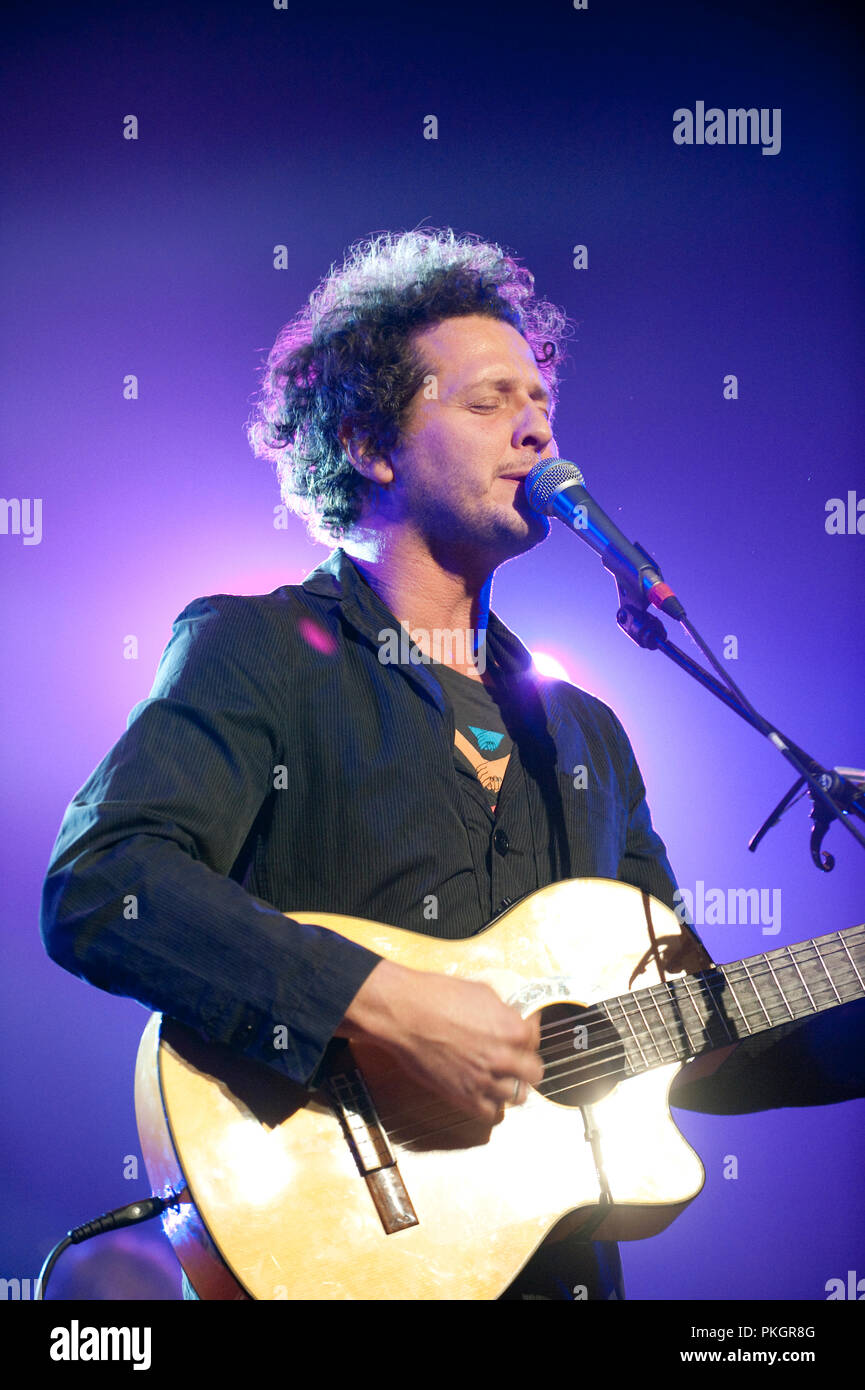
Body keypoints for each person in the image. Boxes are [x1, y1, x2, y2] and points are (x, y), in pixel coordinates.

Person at [40, 229, 864, 1301]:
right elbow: (104, 881)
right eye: (485, 401)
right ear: (370, 443)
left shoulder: (588, 735)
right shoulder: (259, 652)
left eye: (541, 401)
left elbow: (693, 1039)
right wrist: (376, 1003)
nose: (534, 427)